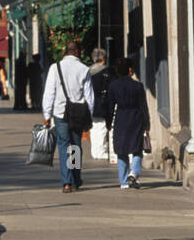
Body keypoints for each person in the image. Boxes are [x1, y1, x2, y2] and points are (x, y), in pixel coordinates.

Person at [42, 40, 94, 194]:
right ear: (77, 52)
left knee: (64, 146)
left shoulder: (55, 67)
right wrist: (89, 116)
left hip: (60, 113)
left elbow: (49, 92)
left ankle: (66, 182)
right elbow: (89, 96)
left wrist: (46, 114)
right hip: (78, 113)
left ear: (66, 52)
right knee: (76, 146)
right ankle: (76, 179)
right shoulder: (84, 69)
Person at [105, 58, 150, 190]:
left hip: (121, 118)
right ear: (130, 70)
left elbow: (109, 106)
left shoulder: (113, 86)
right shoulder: (138, 86)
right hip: (136, 118)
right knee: (137, 148)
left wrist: (108, 122)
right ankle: (134, 172)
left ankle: (124, 181)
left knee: (121, 150)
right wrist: (146, 124)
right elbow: (143, 106)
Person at [88, 48, 111, 161]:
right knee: (102, 128)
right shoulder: (105, 71)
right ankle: (101, 152)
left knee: (93, 129)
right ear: (103, 58)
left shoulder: (88, 71)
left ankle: (95, 151)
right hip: (101, 104)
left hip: (91, 104)